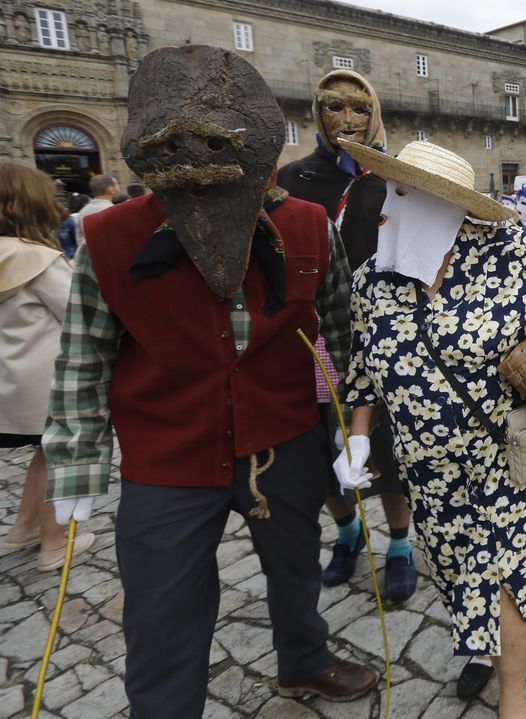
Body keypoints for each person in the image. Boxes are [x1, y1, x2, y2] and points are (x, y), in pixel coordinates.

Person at [42, 46, 377, 717]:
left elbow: (338, 337)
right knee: (162, 606)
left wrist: (347, 425)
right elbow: (84, 358)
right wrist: (75, 463)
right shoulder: (109, 239)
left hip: (282, 443)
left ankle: (304, 660)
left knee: (296, 568)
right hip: (169, 453)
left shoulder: (311, 226)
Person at [336, 137, 526, 719]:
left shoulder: (506, 256)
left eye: (397, 194)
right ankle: (482, 649)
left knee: (500, 581)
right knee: (453, 571)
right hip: (426, 471)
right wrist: (359, 436)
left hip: (500, 459)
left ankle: (513, 698)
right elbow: (363, 368)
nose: (385, 210)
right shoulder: (374, 280)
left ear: (438, 202)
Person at [276, 68, 422, 610]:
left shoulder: (391, 178)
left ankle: (401, 545)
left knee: (381, 447)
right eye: (334, 107)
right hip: (309, 339)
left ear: (375, 112)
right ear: (317, 112)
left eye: (359, 108)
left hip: (378, 335)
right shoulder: (293, 180)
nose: (347, 120)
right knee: (321, 447)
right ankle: (347, 533)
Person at [0, 163, 97, 571]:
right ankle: (54, 546)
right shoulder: (37, 259)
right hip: (46, 385)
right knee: (61, 456)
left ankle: (23, 528)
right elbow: (78, 313)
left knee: (44, 456)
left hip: (9, 385)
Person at [72, 173, 118, 247]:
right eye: (116, 185)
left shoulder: (82, 212)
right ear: (111, 190)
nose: (118, 188)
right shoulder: (115, 211)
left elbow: (80, 242)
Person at [58, 193, 89, 258]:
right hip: (77, 256)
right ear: (85, 204)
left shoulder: (67, 220)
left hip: (66, 255)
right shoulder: (79, 218)